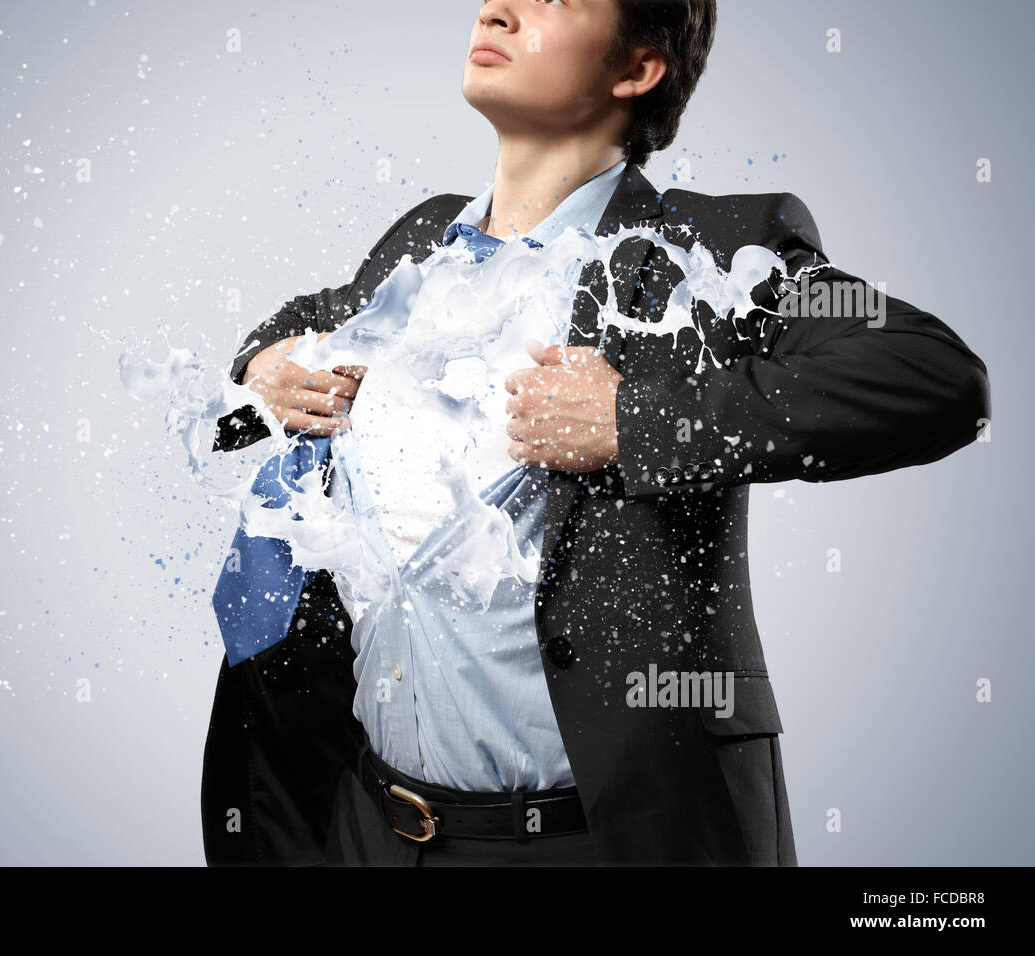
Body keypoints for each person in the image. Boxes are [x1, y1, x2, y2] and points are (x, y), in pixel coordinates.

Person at [200, 0, 991, 866]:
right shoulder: (422, 241)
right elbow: (310, 321)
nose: (497, 8)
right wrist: (261, 365)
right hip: (375, 830)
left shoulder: (718, 254)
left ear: (637, 69)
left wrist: (631, 421)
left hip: (609, 839)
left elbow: (935, 375)